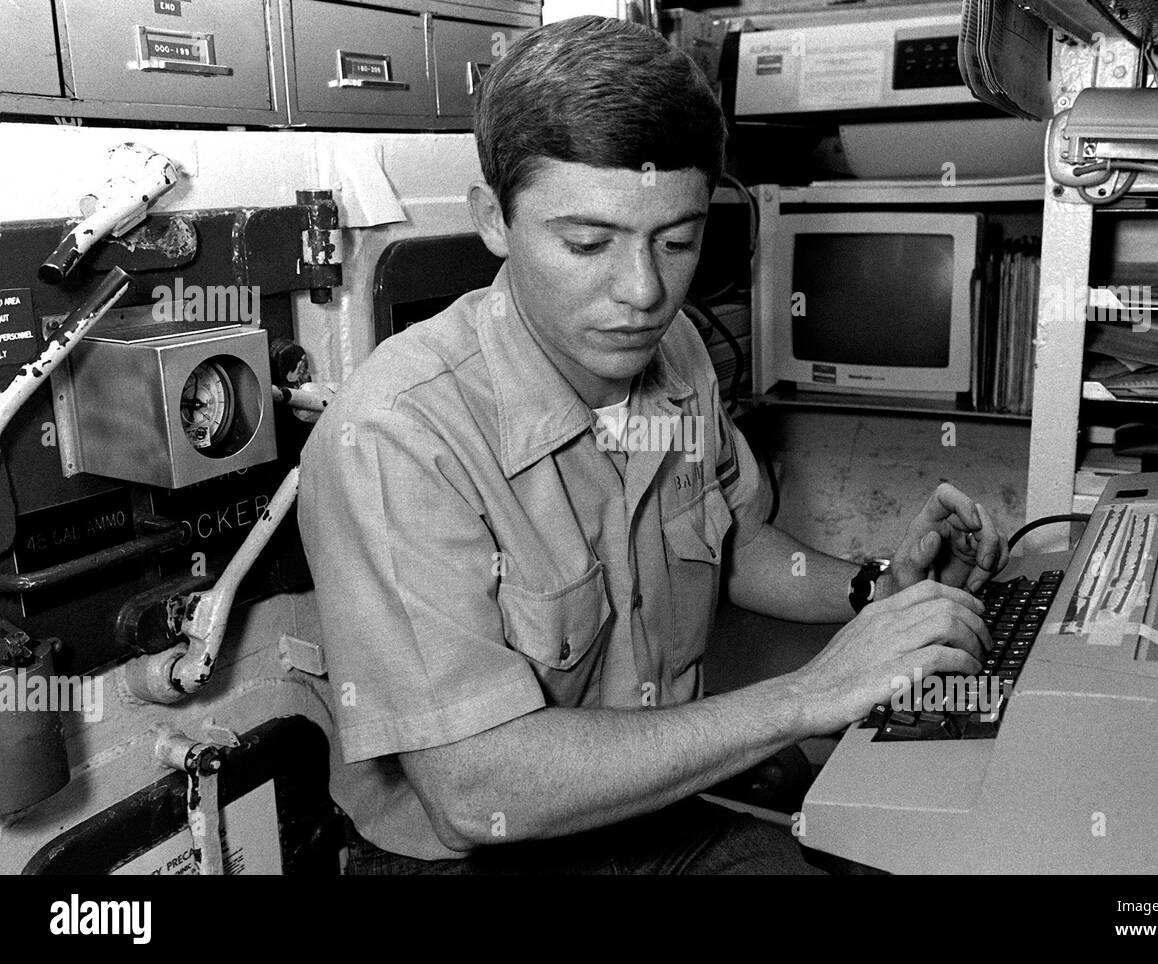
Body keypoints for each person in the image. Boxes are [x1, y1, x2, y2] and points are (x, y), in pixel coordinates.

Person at [297, 14, 1007, 875]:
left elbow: (731, 538)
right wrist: (811, 696)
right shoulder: (396, 437)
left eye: (676, 240)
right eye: (588, 243)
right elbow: (474, 788)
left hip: (645, 805)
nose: (642, 292)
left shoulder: (670, 357)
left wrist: (873, 591)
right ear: (492, 220)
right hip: (474, 853)